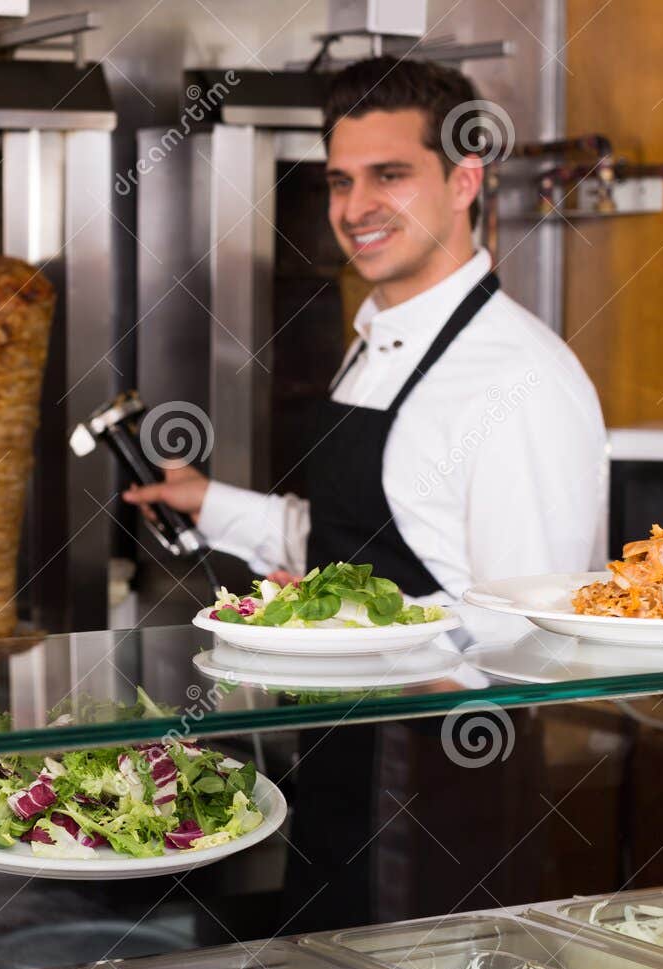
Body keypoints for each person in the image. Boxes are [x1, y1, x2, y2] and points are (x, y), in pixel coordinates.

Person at [125, 57, 606, 619]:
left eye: (390, 176)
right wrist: (207, 505)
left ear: (464, 182)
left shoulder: (523, 381)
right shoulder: (374, 341)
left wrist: (349, 622)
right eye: (341, 181)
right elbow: (342, 541)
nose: (355, 209)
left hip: (440, 712)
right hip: (331, 702)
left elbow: (529, 637)